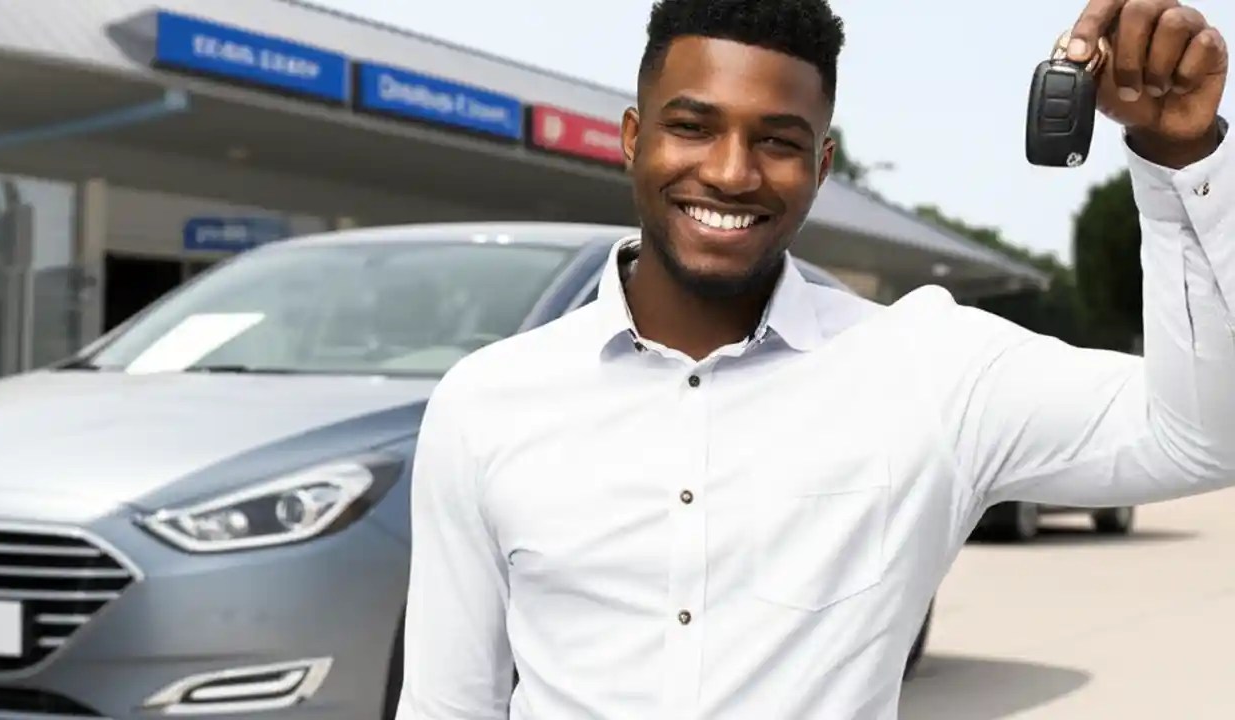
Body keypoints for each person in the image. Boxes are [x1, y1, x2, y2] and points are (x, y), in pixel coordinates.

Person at [397, 0, 1232, 717]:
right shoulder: (486, 404)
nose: (731, 172)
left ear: (822, 165)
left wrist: (1183, 159)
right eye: (692, 127)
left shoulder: (929, 371)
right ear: (633, 138)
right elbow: (447, 705)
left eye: (778, 141)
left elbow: (1204, 438)